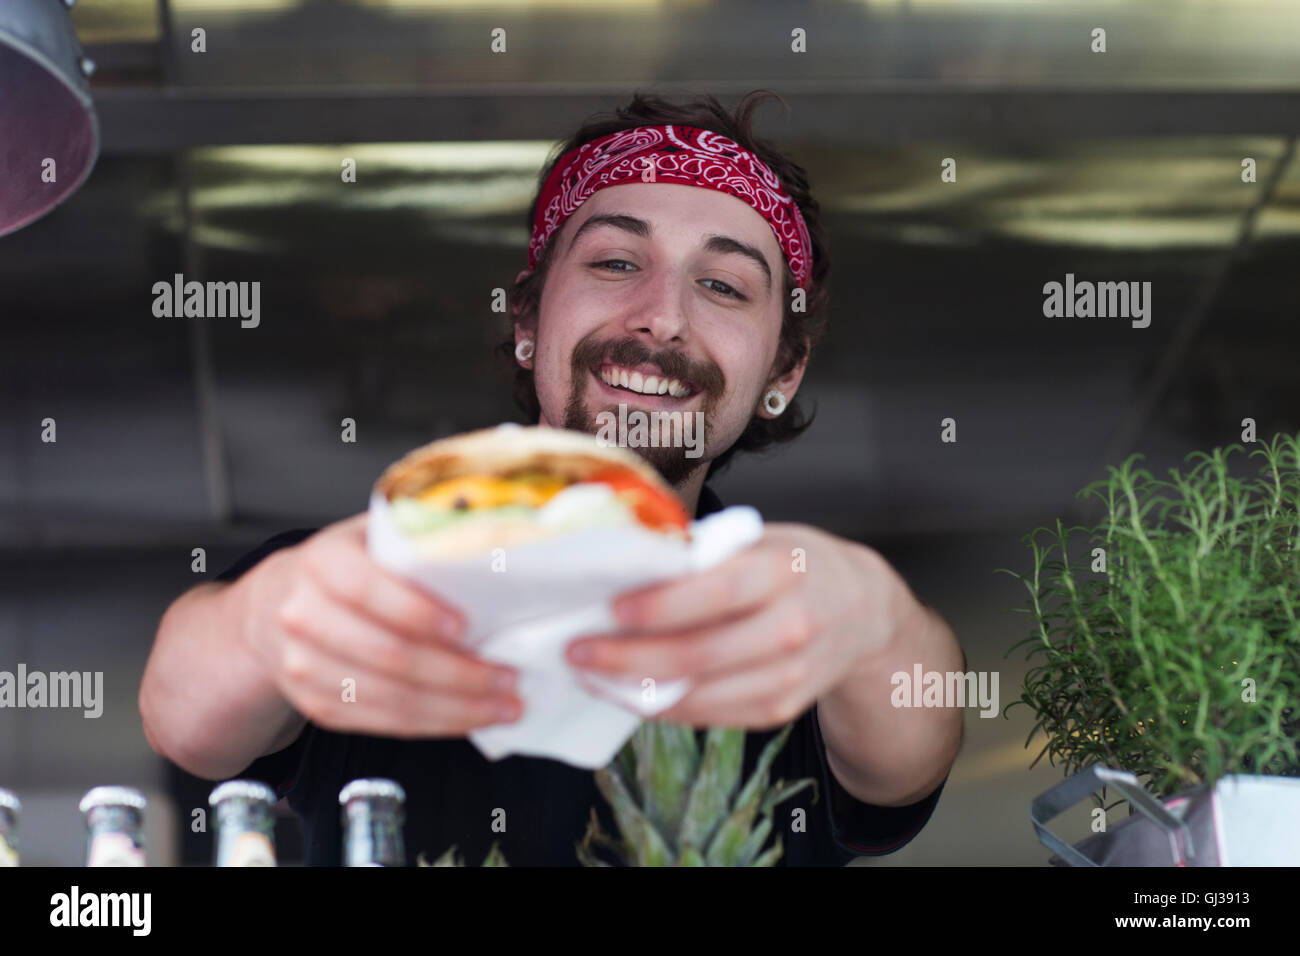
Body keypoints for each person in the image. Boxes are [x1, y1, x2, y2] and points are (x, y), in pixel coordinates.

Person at [139, 90, 965, 866]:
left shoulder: (797, 614)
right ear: (528, 318)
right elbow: (188, 716)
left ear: (783, 370)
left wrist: (872, 615)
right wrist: (265, 620)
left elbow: (908, 752)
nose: (664, 315)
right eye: (613, 261)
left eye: (723, 285)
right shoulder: (368, 578)